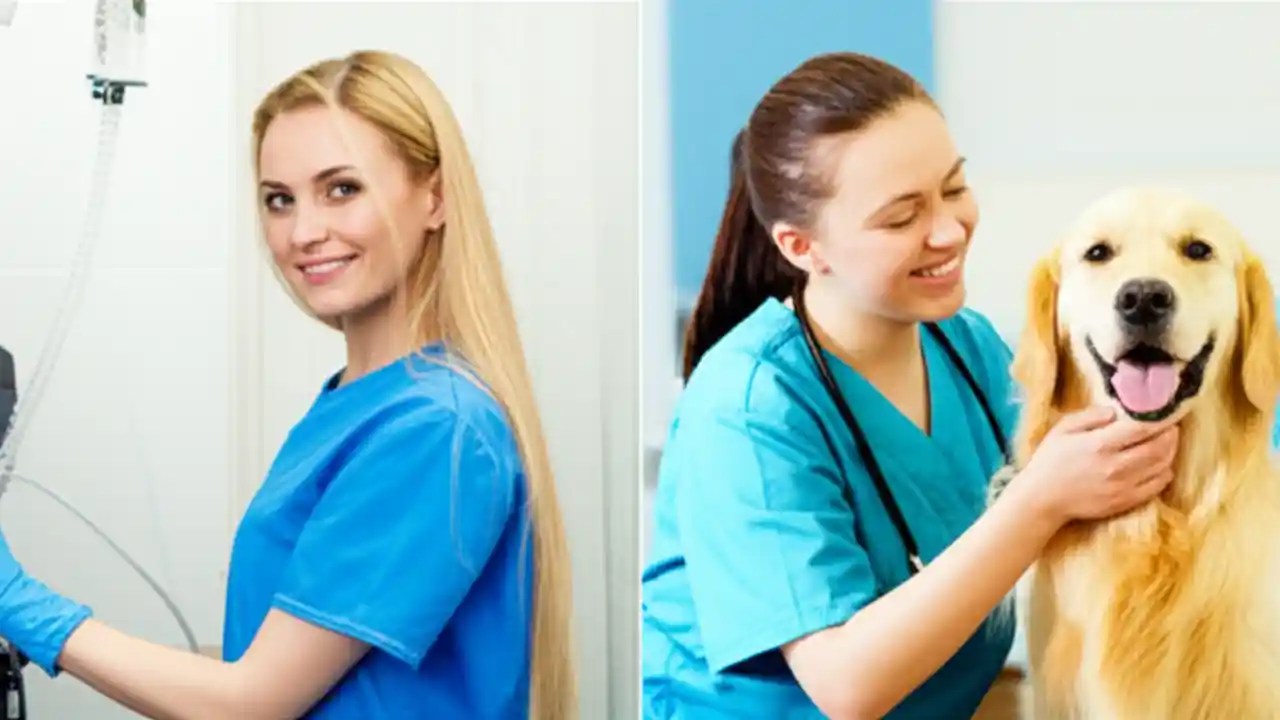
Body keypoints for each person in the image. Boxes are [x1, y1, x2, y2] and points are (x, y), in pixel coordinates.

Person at [0, 50, 576, 719]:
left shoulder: (434, 428)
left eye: (342, 189)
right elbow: (282, 670)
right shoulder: (357, 401)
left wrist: (17, 601)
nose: (304, 232)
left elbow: (251, 703)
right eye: (280, 200)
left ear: (435, 197)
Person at [640, 52, 1181, 719]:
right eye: (902, 217)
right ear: (802, 247)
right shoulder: (750, 409)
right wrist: (1038, 501)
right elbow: (847, 685)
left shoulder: (966, 346)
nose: (950, 231)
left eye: (954, 188)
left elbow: (1134, 418)